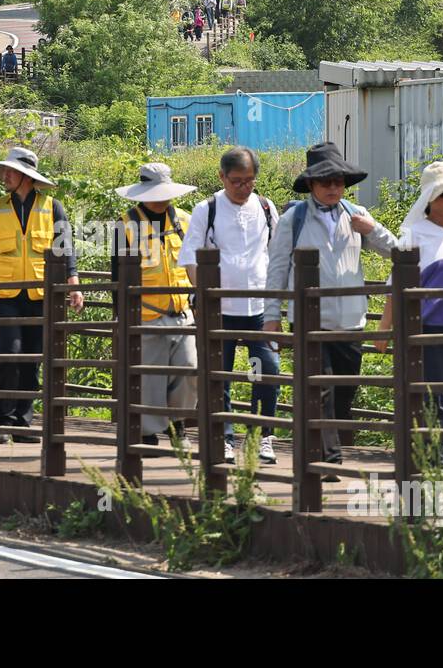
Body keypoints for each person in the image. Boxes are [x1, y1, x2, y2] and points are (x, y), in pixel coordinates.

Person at [265, 143, 397, 470]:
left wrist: (373, 229)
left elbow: (400, 253)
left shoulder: (356, 215)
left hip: (351, 323)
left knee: (343, 396)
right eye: (326, 182)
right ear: (311, 185)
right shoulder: (292, 220)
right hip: (311, 323)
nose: (333, 188)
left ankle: (327, 456)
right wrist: (272, 318)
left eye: (338, 181)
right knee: (319, 392)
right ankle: (330, 463)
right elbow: (277, 269)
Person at [0, 147, 83, 443]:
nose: (4, 176)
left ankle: (23, 420)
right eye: (5, 171)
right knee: (9, 352)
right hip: (4, 294)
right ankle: (3, 418)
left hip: (40, 295)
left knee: (32, 358)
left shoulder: (53, 207)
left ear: (26, 177)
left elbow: (65, 248)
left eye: (10, 172)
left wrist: (74, 282)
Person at [177, 147, 280, 465]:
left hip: (258, 309)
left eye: (249, 180)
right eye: (237, 181)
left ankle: (262, 436)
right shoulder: (206, 209)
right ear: (222, 177)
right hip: (220, 312)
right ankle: (224, 439)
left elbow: (277, 253)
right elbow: (189, 257)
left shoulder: (265, 206)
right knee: (220, 376)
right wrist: (205, 293)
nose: (243, 187)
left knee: (265, 371)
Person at [376, 162, 443, 464]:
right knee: (436, 399)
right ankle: (435, 462)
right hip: (428, 329)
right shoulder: (414, 235)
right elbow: (397, 284)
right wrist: (384, 328)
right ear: (429, 198)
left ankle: (431, 450)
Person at [112, 163, 198, 453]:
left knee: (189, 368)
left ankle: (178, 426)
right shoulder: (125, 225)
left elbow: (194, 266)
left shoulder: (185, 222)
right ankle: (147, 434)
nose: (161, 198)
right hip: (145, 314)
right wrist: (121, 316)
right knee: (149, 377)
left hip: (182, 311)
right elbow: (117, 277)